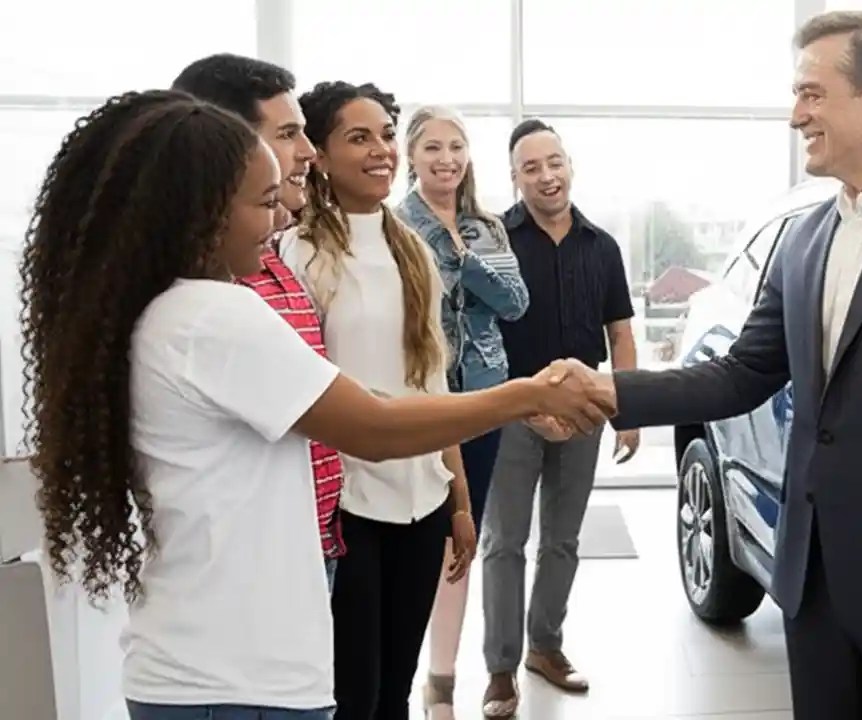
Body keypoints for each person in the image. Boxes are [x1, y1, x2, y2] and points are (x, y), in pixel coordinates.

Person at [539, 11, 862, 720]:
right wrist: (605, 390)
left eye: (813, 94)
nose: (796, 116)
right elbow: (740, 374)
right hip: (811, 593)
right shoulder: (805, 237)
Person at [18, 89, 614, 720]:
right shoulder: (213, 317)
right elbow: (374, 425)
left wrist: (457, 489)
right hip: (235, 685)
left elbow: (413, 385)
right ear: (201, 210)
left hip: (215, 671)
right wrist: (527, 394)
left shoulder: (169, 311)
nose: (278, 220)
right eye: (265, 202)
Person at [276, 81, 476, 720]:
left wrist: (460, 498)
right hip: (348, 509)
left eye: (387, 134)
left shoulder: (411, 248)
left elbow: (434, 384)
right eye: (358, 137)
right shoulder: (300, 251)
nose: (382, 150)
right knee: (352, 694)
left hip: (423, 497)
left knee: (395, 688)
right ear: (321, 153)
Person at [477, 118, 639, 719]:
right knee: (504, 543)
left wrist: (627, 410)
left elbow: (619, 332)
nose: (547, 176)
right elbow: (477, 331)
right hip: (513, 409)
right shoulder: (494, 240)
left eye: (554, 162)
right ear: (515, 177)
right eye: (531, 167)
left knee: (564, 541)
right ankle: (499, 668)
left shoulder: (602, 246)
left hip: (585, 412)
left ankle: (545, 647)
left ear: (569, 164)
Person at [171, 53, 347, 593]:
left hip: (313, 544)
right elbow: (364, 423)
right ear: (226, 145)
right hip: (253, 571)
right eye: (289, 133)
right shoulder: (209, 295)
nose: (309, 153)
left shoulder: (267, 259)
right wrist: (525, 396)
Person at [393, 105, 528, 718]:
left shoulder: (487, 229)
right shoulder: (397, 226)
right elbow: (409, 313)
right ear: (412, 159)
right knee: (429, 530)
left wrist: (463, 258)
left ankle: (442, 677)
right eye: (432, 149)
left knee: (462, 539)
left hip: (483, 394)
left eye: (456, 147)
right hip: (423, 396)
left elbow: (515, 303)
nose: (446, 159)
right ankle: (413, 665)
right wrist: (446, 261)